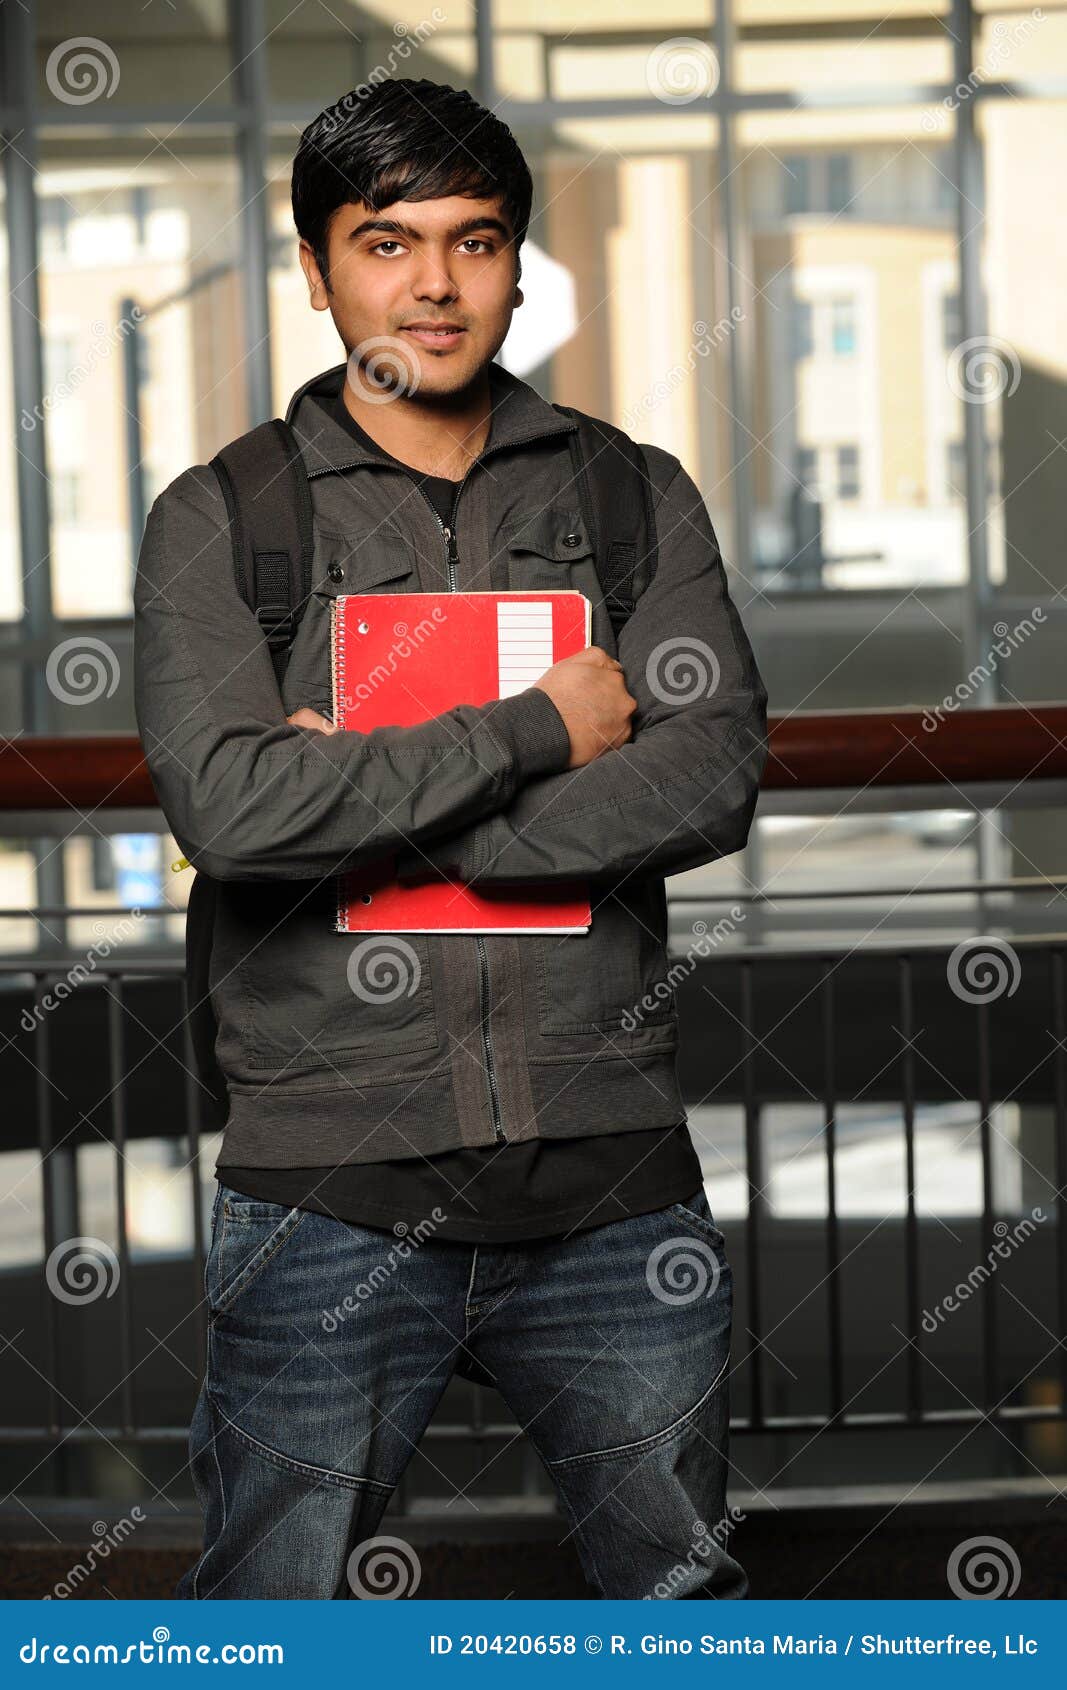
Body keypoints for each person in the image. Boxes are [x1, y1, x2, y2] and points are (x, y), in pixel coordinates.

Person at [133, 77, 767, 1600]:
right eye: (385, 242)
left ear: (520, 261)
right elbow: (227, 804)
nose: (433, 284)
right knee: (271, 1615)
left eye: (474, 241)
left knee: (682, 1606)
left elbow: (716, 768)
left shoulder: (631, 496)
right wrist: (535, 732)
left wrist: (389, 815)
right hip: (324, 1189)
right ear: (315, 268)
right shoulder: (224, 519)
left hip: (612, 1183)